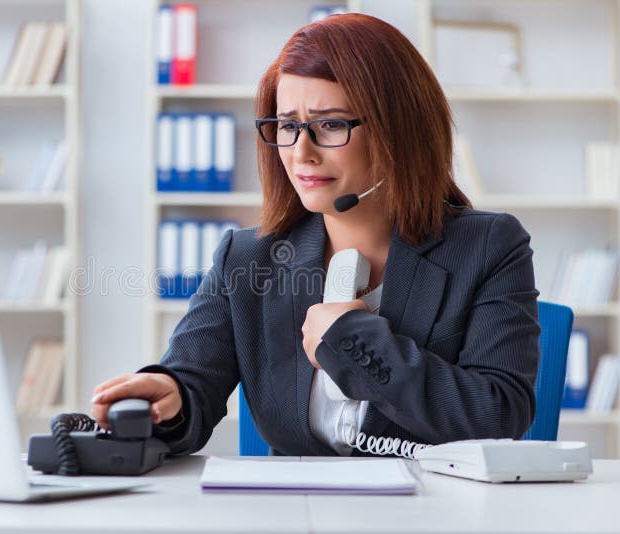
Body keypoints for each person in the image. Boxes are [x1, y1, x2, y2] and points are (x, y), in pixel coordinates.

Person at [92, 13, 540, 456]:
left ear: (398, 130)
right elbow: (193, 383)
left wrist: (354, 341)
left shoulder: (488, 248)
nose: (301, 152)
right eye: (288, 125)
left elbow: (499, 414)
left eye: (330, 124)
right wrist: (168, 398)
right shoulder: (248, 258)